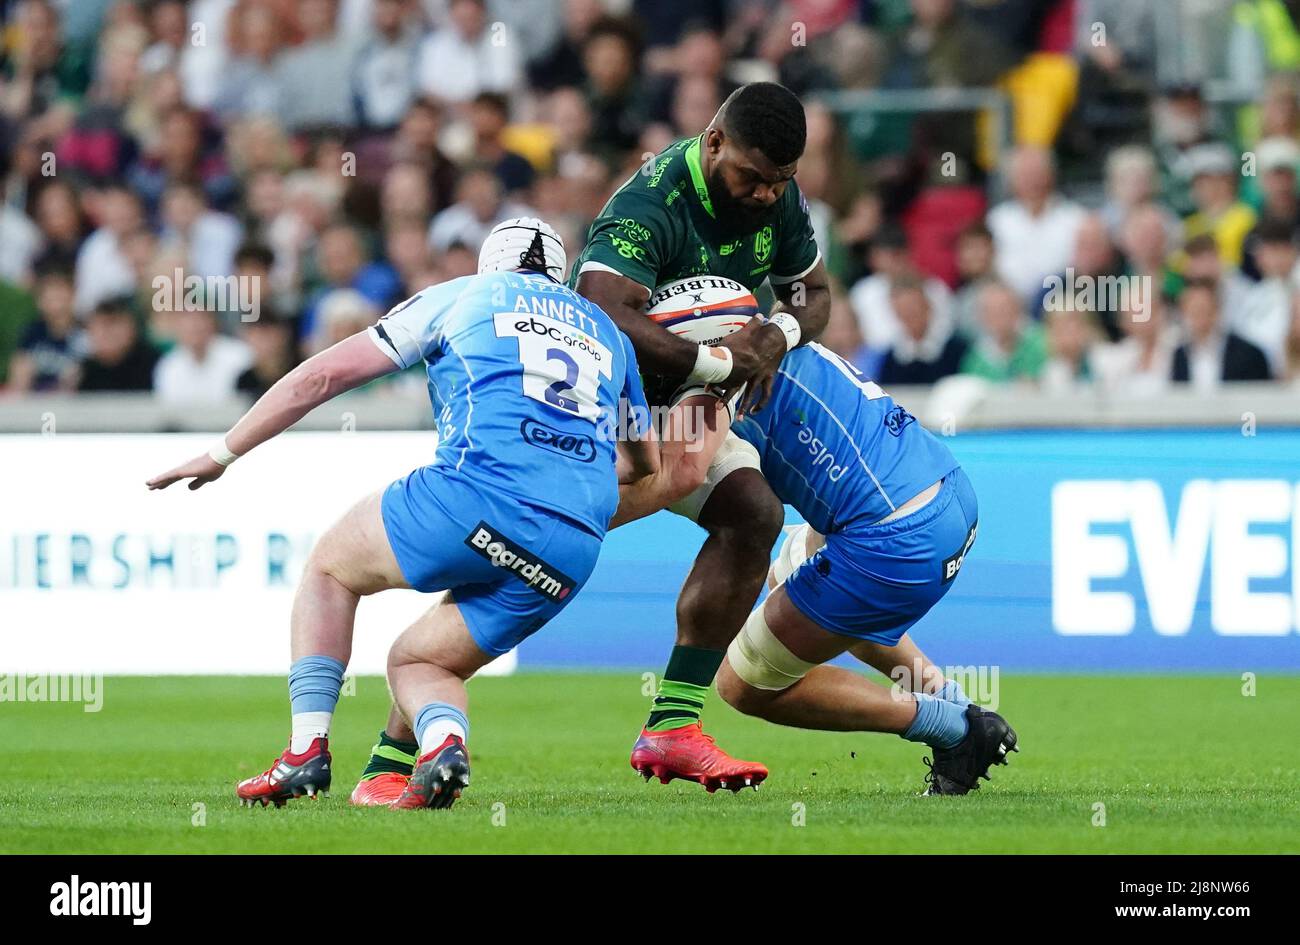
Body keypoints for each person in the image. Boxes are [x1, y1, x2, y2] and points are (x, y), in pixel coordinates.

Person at [146, 218, 657, 810]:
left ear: (489, 266)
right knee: (419, 662)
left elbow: (323, 375)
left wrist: (222, 453)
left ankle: (305, 751)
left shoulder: (463, 295)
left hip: (475, 494)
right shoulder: (607, 333)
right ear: (559, 275)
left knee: (330, 571)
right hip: (572, 543)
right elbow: (640, 459)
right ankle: (443, 742)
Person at [569, 81, 832, 791]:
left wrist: (772, 337)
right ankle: (404, 738)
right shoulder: (650, 202)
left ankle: (673, 726)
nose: (766, 195)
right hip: (606, 403)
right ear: (713, 141)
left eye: (782, 181)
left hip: (688, 406)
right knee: (535, 544)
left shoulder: (778, 193)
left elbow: (813, 293)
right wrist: (721, 359)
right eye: (752, 176)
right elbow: (603, 307)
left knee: (755, 513)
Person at [636, 339, 1017, 796]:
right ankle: (953, 700)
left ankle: (955, 729)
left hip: (891, 542)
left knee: (743, 683)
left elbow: (679, 476)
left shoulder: (718, 378)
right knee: (792, 566)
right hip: (947, 491)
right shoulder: (773, 336)